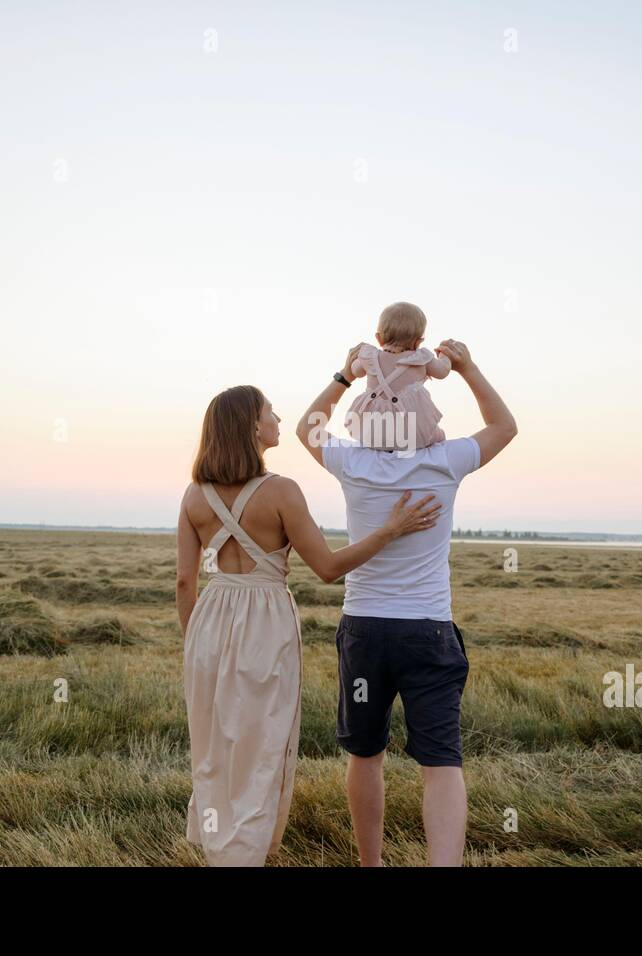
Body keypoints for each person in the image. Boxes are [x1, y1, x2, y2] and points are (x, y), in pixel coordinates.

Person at [175, 384, 443, 866]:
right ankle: (242, 855)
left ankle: (220, 846)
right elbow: (328, 567)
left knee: (215, 745)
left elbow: (183, 581)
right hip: (264, 622)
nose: (278, 418)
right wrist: (390, 530)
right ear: (252, 428)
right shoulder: (280, 491)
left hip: (208, 622)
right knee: (262, 747)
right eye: (270, 412)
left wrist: (193, 643)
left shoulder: (194, 496)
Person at [295, 339, 518, 866]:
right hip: (428, 632)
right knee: (441, 762)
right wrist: (465, 367)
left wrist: (346, 374)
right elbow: (504, 427)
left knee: (365, 755)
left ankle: (370, 864)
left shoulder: (353, 463)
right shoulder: (445, 461)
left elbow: (307, 425)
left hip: (367, 631)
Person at [342, 301, 451, 452]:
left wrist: (355, 361)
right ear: (418, 341)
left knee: (371, 433)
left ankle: (379, 446)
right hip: (413, 432)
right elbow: (442, 372)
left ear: (378, 338)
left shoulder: (370, 356)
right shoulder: (422, 358)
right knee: (437, 435)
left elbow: (355, 371)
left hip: (373, 432)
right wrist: (445, 355)